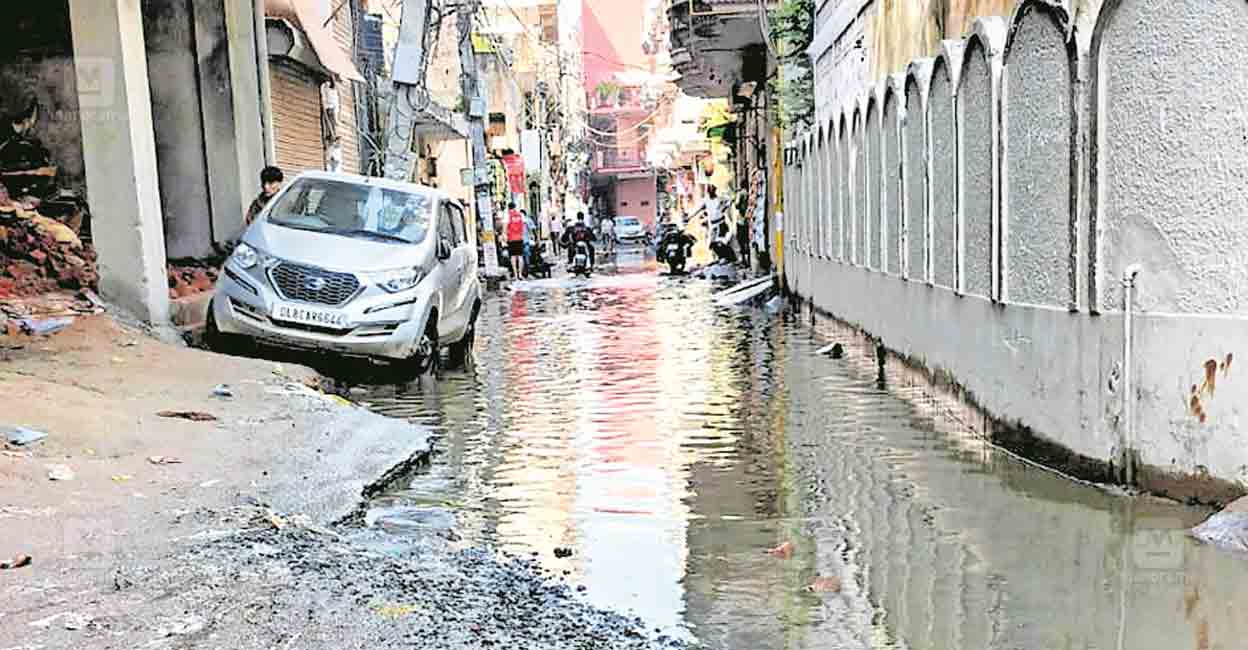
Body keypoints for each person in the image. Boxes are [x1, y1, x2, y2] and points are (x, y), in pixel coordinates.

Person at [506, 202, 526, 279]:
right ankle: (520, 274)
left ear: (509, 208)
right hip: (520, 238)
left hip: (511, 238)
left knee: (513, 257)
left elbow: (505, 227)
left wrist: (504, 236)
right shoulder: (521, 215)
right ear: (515, 207)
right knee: (520, 256)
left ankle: (515, 274)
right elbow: (523, 226)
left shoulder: (507, 215)